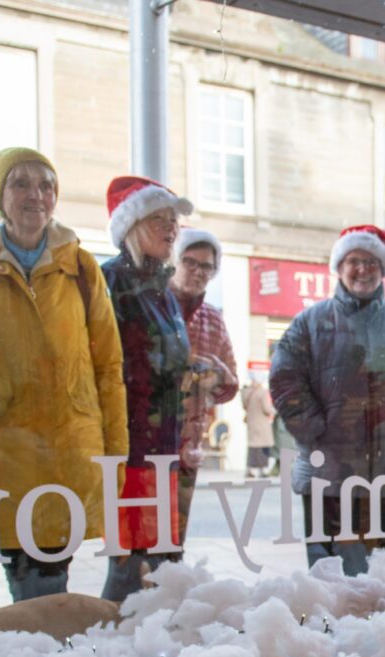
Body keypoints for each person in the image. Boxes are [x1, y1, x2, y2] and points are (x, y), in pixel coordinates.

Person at [0, 148, 127, 603]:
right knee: (32, 579)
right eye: (20, 183)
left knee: (52, 571)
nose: (36, 194)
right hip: (0, 456)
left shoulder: (81, 268)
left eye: (46, 184)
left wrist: (116, 455)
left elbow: (108, 370)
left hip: (72, 452)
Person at [269, 224, 385, 575]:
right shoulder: (309, 322)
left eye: (371, 261)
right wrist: (317, 430)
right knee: (335, 581)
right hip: (331, 476)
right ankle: (335, 632)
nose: (362, 269)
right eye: (354, 260)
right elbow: (284, 379)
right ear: (338, 267)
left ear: (383, 269)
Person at [99, 175, 194, 601]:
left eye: (172, 219)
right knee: (132, 563)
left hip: (163, 447)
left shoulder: (164, 290)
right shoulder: (110, 282)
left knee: (159, 558)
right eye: (157, 219)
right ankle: (112, 647)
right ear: (132, 226)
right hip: (131, 448)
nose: (170, 228)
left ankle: (148, 645)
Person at [169, 228, 239, 521]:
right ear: (175, 261)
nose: (198, 272)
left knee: (175, 539)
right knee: (137, 544)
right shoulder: (152, 305)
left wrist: (216, 376)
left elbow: (231, 384)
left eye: (206, 266)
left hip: (189, 448)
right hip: (146, 446)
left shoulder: (212, 317)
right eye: (190, 262)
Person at [241, 370, 277, 478]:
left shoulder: (246, 392)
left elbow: (244, 406)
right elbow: (267, 409)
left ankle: (249, 469)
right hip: (262, 424)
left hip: (251, 423)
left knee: (252, 447)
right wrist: (274, 410)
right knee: (263, 447)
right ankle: (262, 470)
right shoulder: (262, 392)